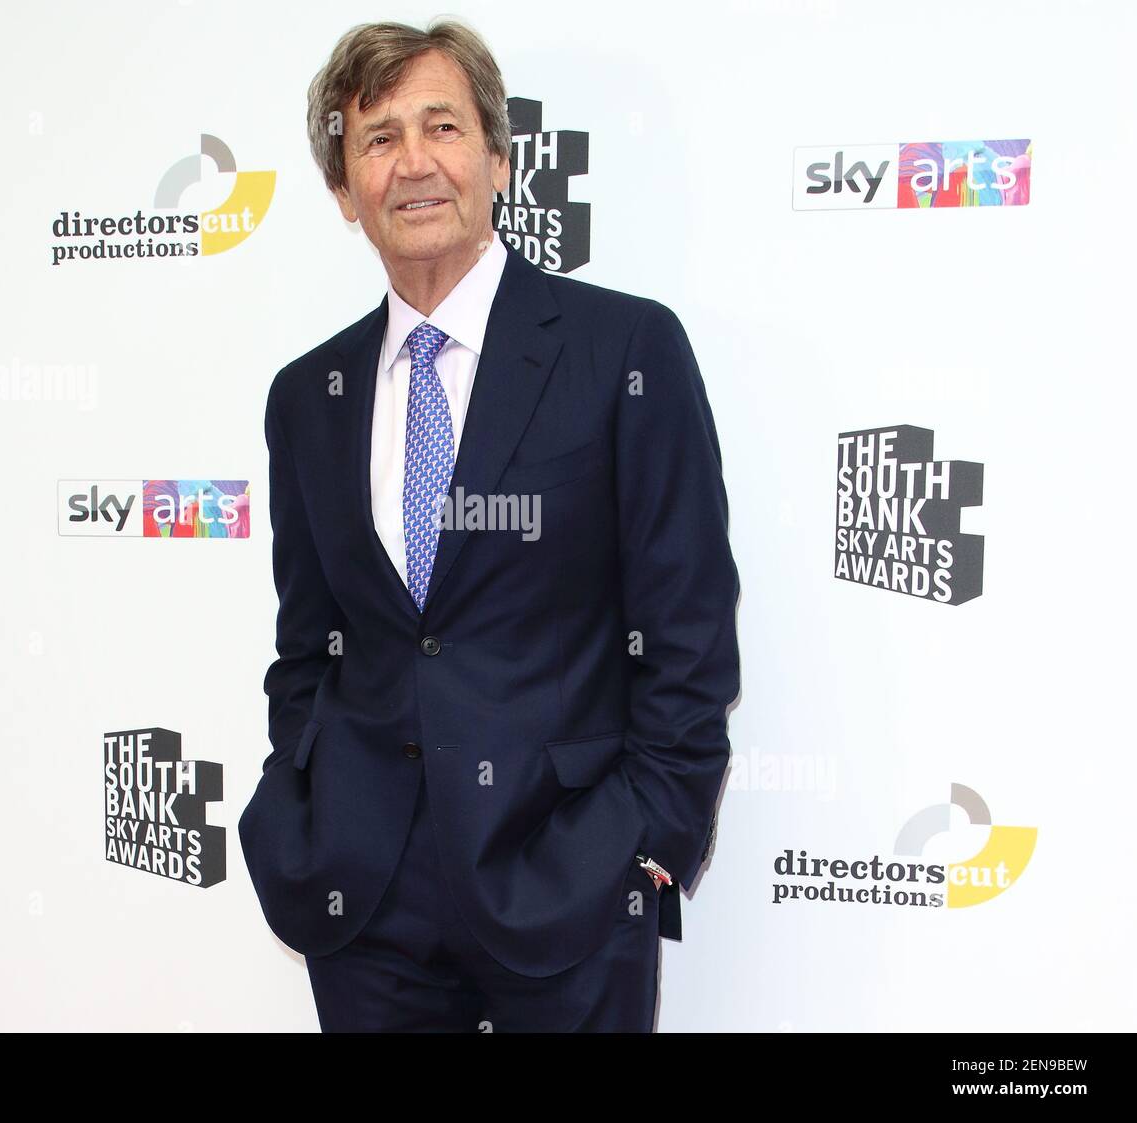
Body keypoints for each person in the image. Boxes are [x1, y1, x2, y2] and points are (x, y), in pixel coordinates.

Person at [238, 18, 741, 1032]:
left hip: (567, 886)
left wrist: (643, 843)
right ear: (343, 190)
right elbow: (310, 644)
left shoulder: (623, 351)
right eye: (377, 139)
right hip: (365, 906)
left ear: (499, 160)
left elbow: (688, 630)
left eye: (442, 127)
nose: (414, 163)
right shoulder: (308, 396)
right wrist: (305, 803)